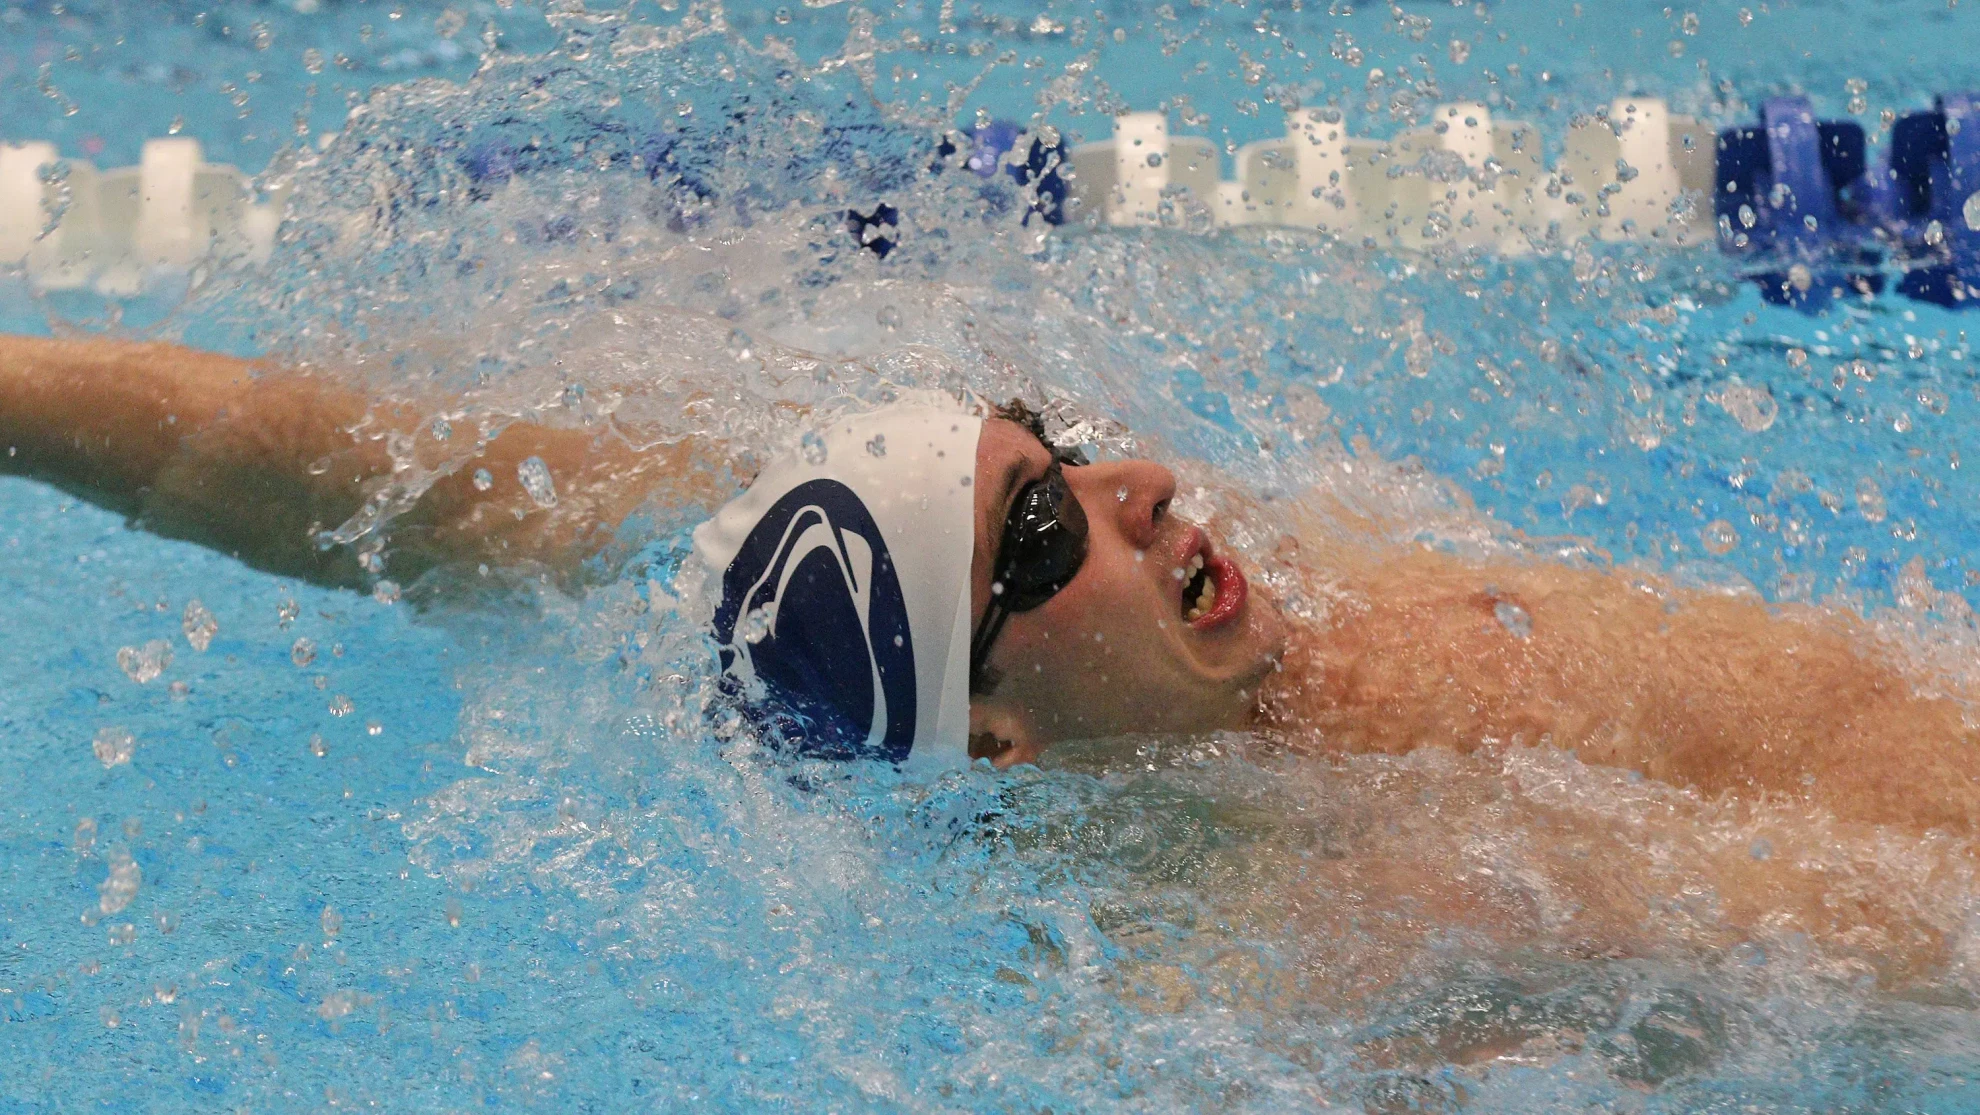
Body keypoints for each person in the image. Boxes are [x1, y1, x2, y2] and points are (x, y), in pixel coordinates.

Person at [3, 332, 1978, 839]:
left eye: (1059, 441)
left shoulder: (1241, 629)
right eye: (1045, 533)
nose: (1142, 485)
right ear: (995, 737)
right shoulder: (1366, 901)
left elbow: (384, 474)